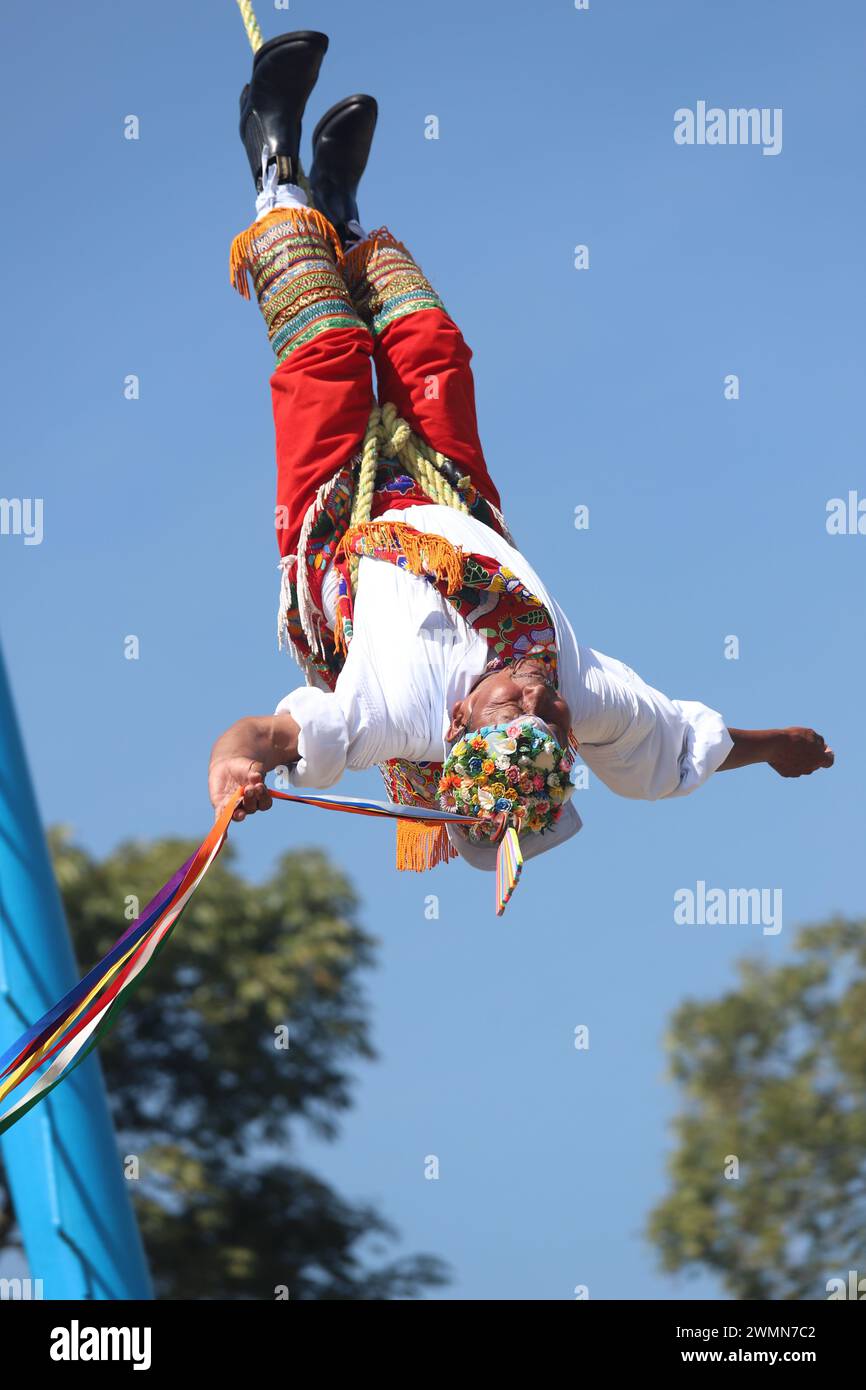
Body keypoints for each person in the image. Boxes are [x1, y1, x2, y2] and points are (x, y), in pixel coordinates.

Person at [209, 31, 833, 878]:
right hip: (453, 495)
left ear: (459, 722)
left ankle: (271, 155)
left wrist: (234, 772)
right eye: (551, 719)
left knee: (326, 347)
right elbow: (676, 746)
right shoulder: (580, 692)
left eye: (516, 706)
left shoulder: (388, 713)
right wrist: (778, 746)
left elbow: (267, 735)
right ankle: (343, 212)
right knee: (433, 345)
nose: (536, 692)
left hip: (333, 519)